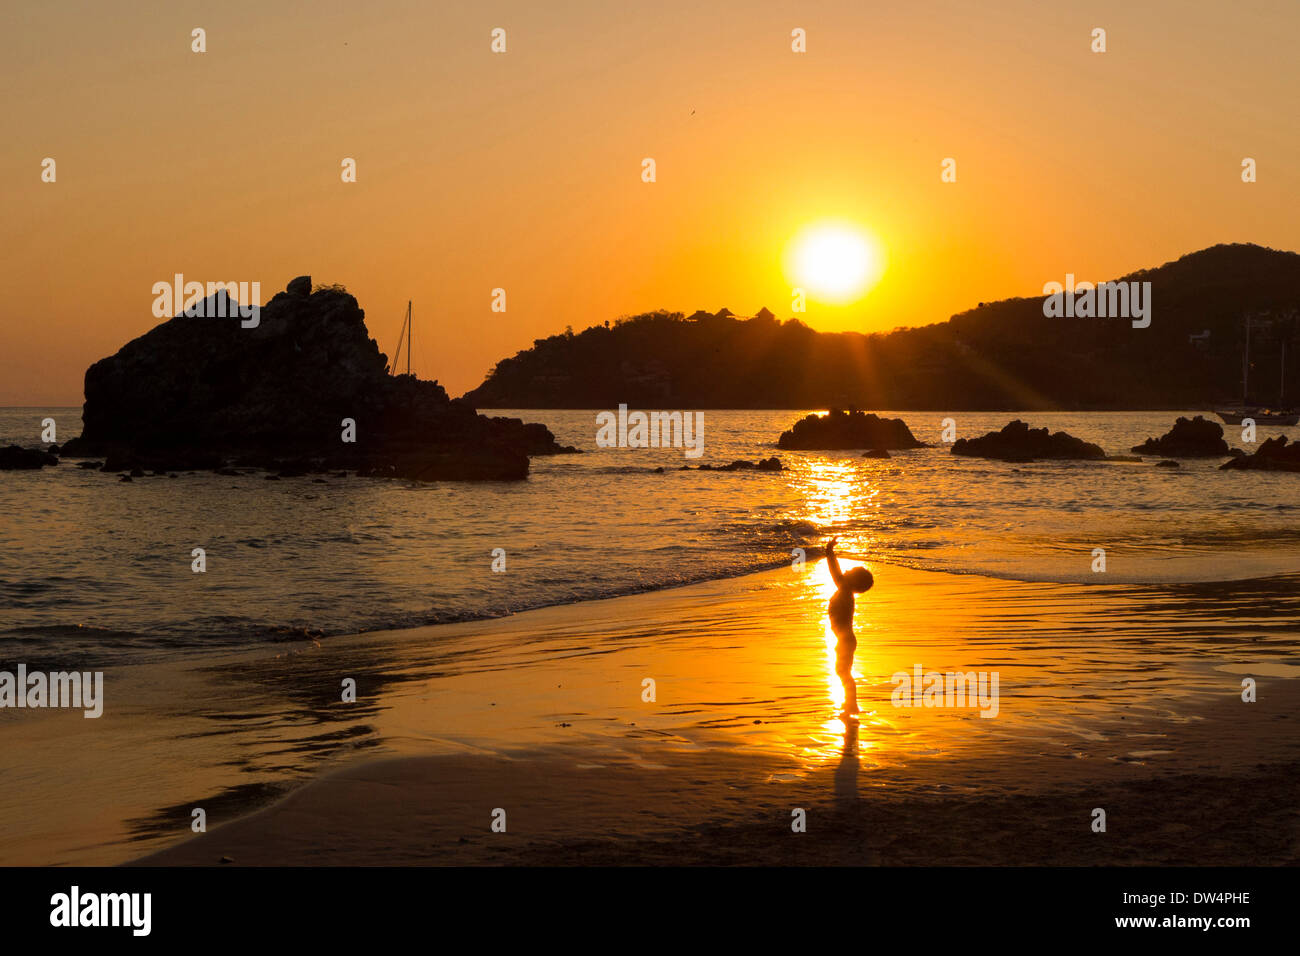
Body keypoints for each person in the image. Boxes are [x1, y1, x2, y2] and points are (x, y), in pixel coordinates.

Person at [825, 538, 873, 717]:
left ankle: (851, 703)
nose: (846, 571)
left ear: (853, 582)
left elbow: (835, 572)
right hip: (845, 640)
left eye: (850, 571)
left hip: (845, 640)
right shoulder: (845, 591)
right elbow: (838, 573)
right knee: (844, 672)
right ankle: (850, 702)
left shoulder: (845, 590)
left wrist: (829, 552)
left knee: (843, 672)